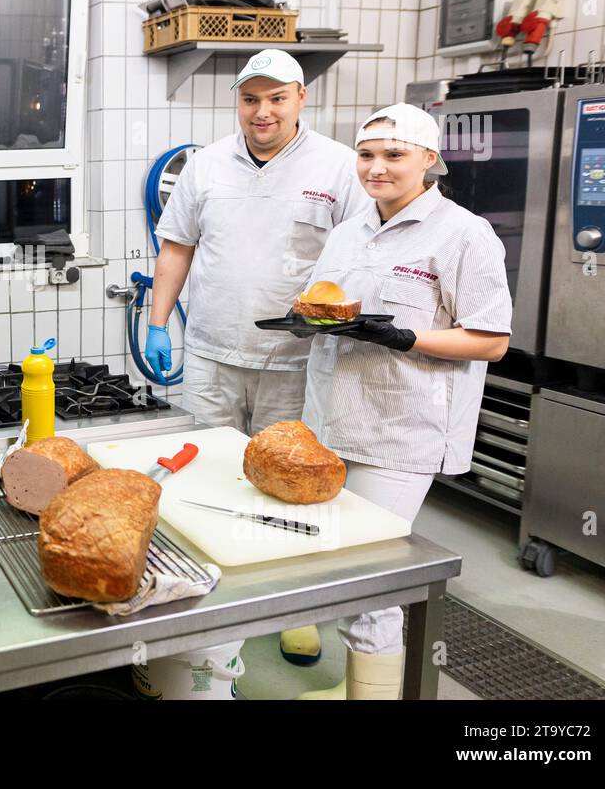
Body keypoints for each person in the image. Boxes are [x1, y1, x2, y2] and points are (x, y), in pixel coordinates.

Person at [293, 103, 512, 699]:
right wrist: (304, 317)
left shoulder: (464, 233)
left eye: (395, 155)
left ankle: (374, 694)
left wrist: (407, 336)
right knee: (340, 563)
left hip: (400, 429)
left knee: (372, 578)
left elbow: (491, 341)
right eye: (366, 155)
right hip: (330, 419)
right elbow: (327, 301)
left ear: (430, 161)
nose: (377, 168)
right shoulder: (348, 228)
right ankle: (353, 685)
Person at [147, 49, 370, 436]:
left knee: (281, 471)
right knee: (206, 466)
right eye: (250, 99)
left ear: (301, 96)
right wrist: (157, 324)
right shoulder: (206, 164)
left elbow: (362, 258)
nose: (262, 111)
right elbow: (177, 248)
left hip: (295, 359)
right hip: (210, 356)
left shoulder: (340, 166)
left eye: (276, 98)